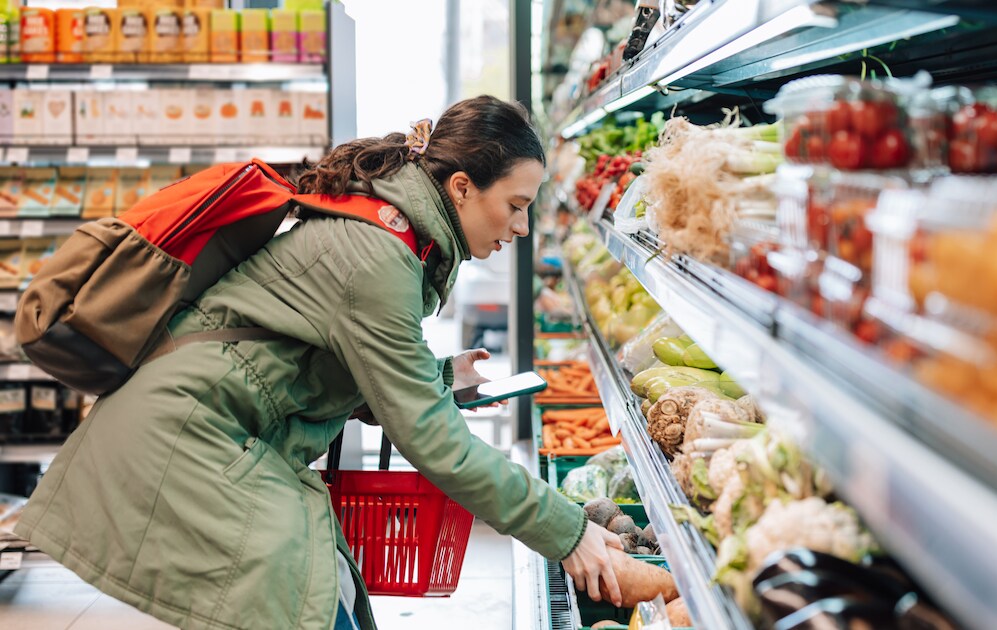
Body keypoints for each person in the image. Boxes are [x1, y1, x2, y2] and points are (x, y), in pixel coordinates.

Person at [15, 96, 623, 630]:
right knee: (305, 604)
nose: (522, 226)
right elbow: (434, 440)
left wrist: (437, 379)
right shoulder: (380, 257)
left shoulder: (389, 235)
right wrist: (565, 532)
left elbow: (310, 355)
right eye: (515, 205)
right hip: (189, 441)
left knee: (315, 599)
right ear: (462, 187)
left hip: (219, 436)